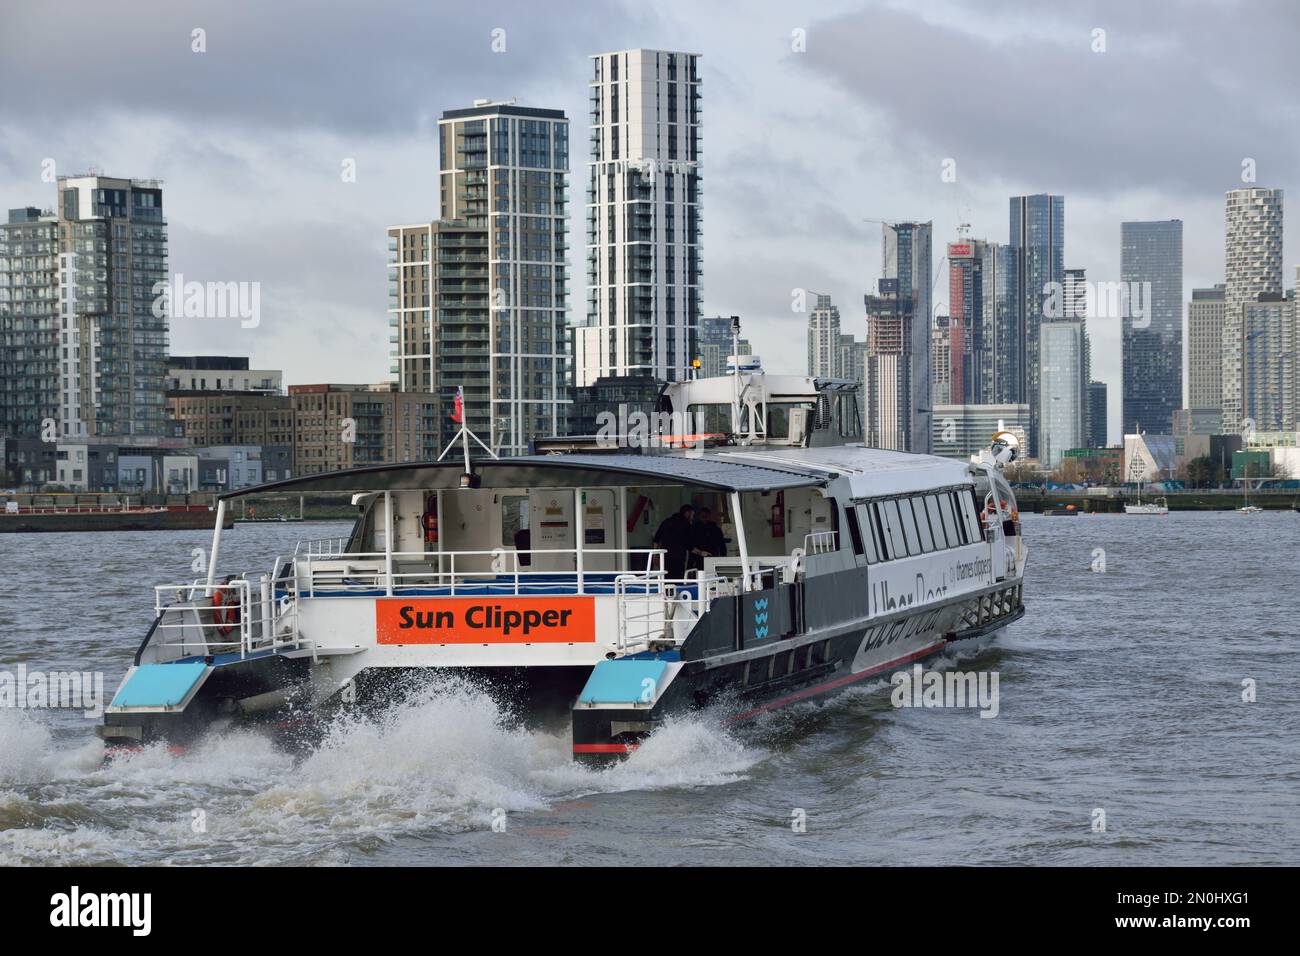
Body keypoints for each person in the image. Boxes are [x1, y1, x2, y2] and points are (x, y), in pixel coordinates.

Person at [652, 504, 695, 579]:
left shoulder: (666, 521)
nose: (692, 518)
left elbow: (656, 539)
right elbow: (689, 545)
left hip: (665, 556)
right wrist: (701, 552)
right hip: (678, 557)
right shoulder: (686, 524)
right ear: (687, 513)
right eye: (692, 515)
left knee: (666, 579)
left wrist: (655, 555)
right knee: (677, 580)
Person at [689, 506, 726, 571]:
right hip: (698, 557)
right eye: (702, 516)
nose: (704, 518)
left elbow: (722, 544)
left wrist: (723, 558)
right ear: (699, 516)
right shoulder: (694, 529)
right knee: (699, 574)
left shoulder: (715, 529)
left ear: (709, 516)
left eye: (706, 516)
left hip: (712, 556)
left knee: (711, 574)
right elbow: (690, 545)